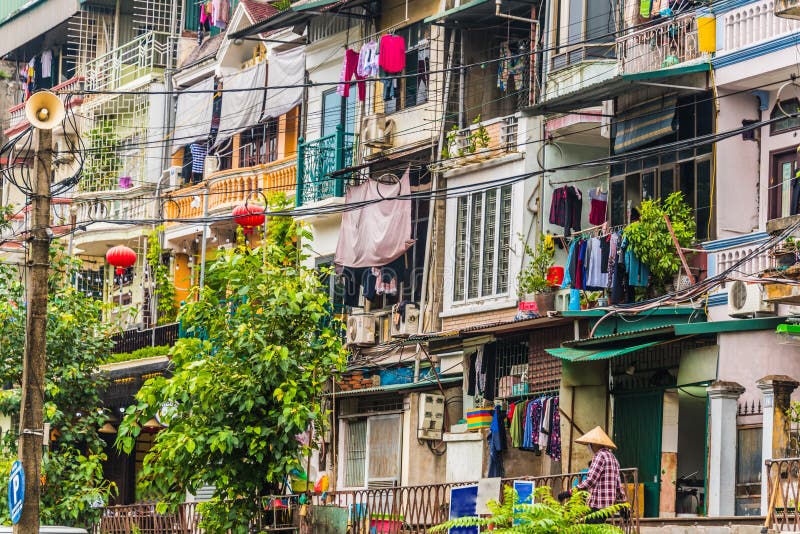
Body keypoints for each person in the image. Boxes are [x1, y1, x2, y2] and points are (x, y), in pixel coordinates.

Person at [574, 426, 627, 523]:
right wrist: (623, 502)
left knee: (589, 529)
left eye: (589, 445)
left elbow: (591, 480)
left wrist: (573, 490)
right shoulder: (613, 458)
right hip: (608, 505)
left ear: (594, 445)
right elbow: (618, 484)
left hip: (597, 503)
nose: (589, 447)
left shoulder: (599, 456)